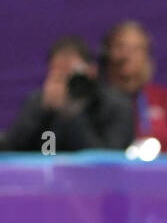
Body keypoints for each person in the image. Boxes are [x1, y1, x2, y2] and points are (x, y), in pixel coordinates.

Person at [3, 36, 134, 152]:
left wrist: (71, 115)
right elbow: (12, 151)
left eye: (72, 75)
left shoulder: (117, 106)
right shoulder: (38, 103)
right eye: (60, 76)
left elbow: (108, 159)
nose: (65, 84)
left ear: (91, 71)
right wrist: (43, 112)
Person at [102, 20, 167, 152]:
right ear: (108, 53)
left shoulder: (164, 98)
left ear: (147, 56)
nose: (127, 55)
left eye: (136, 49)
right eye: (120, 47)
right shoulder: (97, 101)